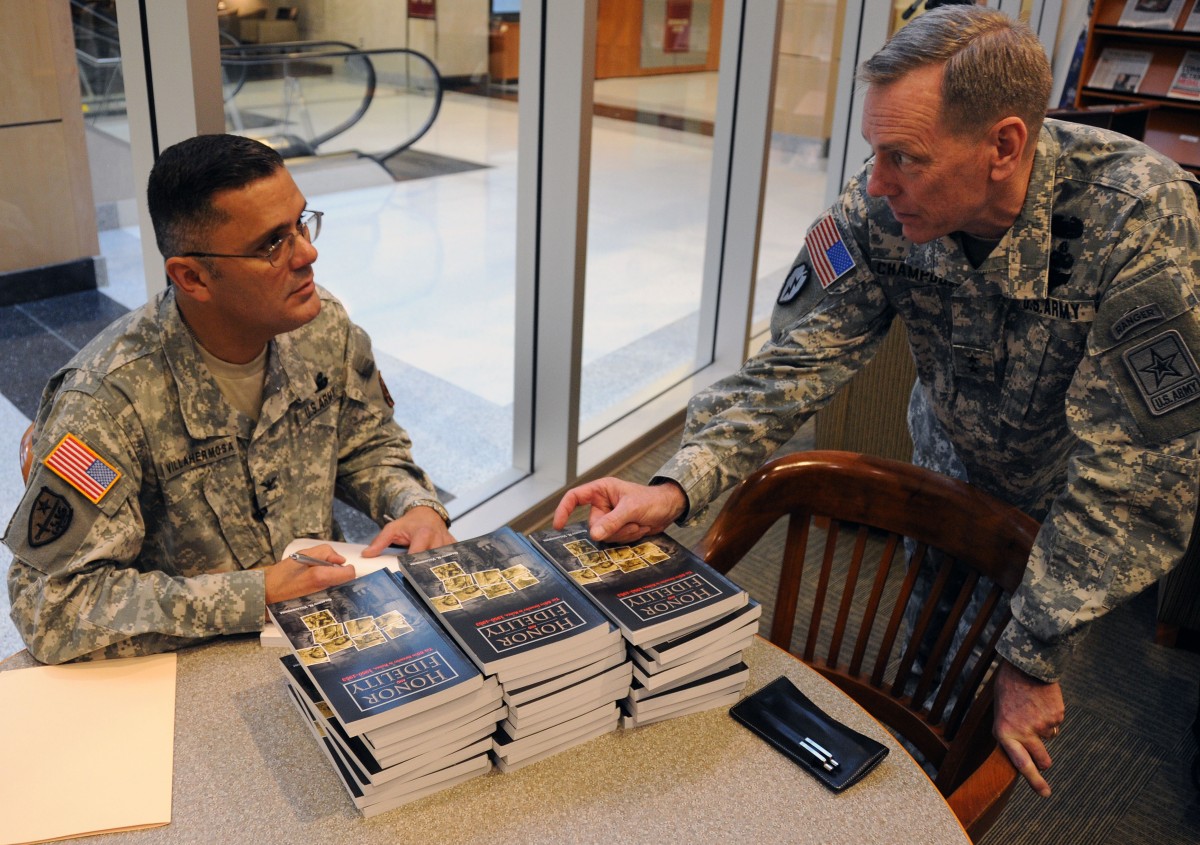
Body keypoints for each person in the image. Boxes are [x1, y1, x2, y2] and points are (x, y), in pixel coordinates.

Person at [555, 6, 1200, 798]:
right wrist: (676, 482)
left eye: (904, 157)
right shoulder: (878, 207)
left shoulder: (1139, 216)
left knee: (988, 704)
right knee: (925, 658)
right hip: (946, 469)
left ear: (1003, 146)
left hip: (1068, 511)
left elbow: (1137, 471)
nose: (876, 181)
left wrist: (1033, 655)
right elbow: (796, 359)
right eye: (874, 150)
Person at [4, 134, 454, 665]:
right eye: (272, 244)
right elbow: (51, 608)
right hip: (187, 671)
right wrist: (255, 594)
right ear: (192, 277)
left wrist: (414, 505)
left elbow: (366, 444)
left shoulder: (320, 327)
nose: (308, 253)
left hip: (325, 636)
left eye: (301, 224)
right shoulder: (106, 404)